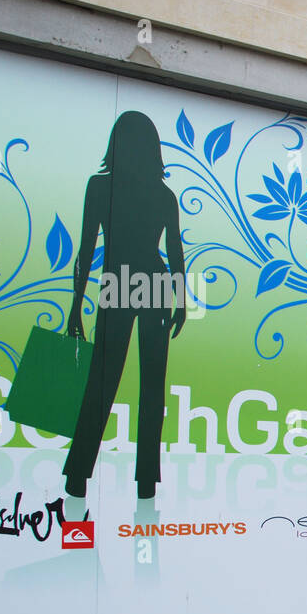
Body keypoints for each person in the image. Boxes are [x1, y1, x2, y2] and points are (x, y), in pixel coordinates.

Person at [64, 111, 186, 500]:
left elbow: (86, 250)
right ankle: (144, 480)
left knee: (104, 380)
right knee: (149, 386)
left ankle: (79, 475)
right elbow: (174, 252)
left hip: (121, 280)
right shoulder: (161, 194)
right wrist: (180, 302)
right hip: (151, 282)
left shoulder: (100, 188)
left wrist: (76, 301)